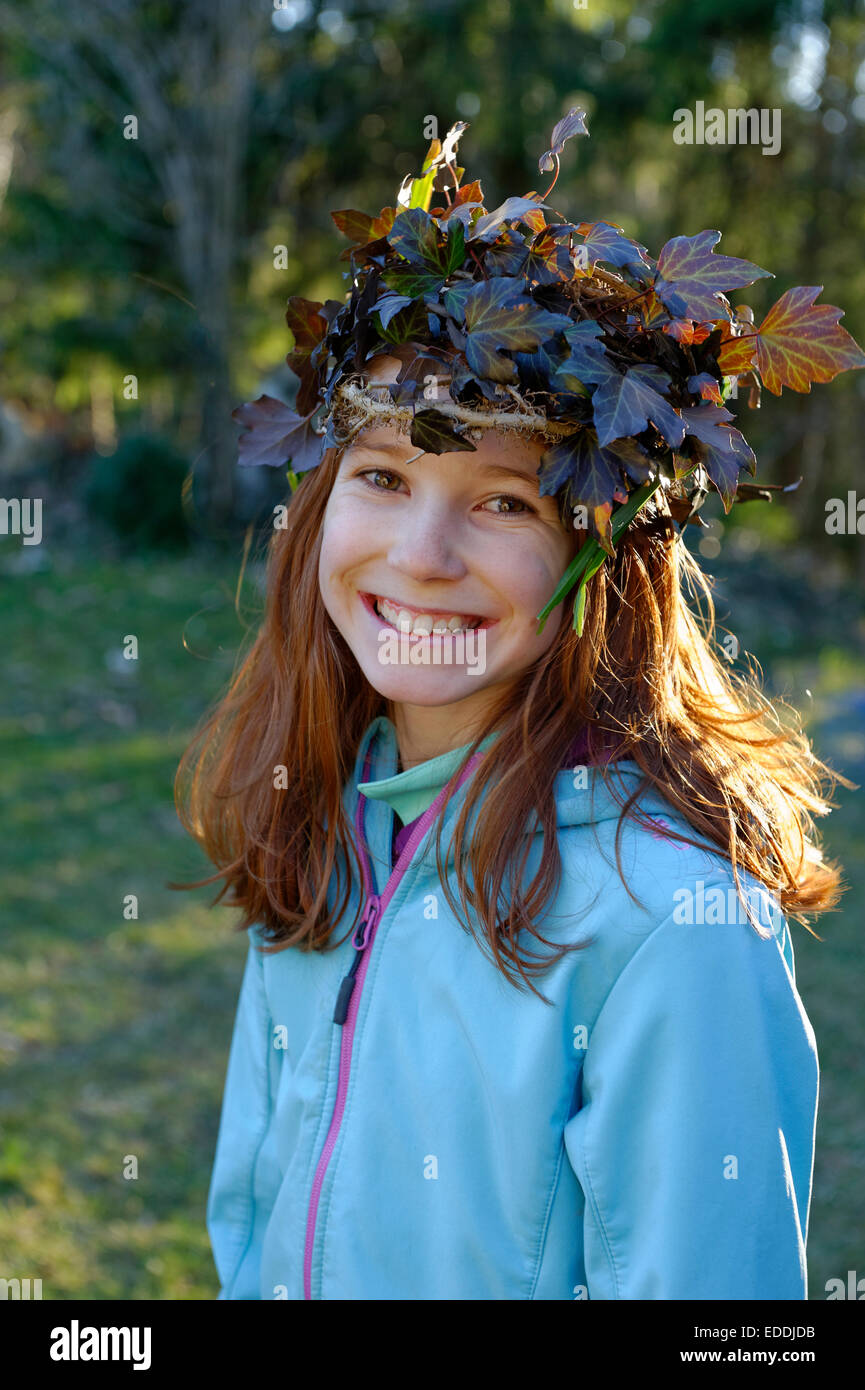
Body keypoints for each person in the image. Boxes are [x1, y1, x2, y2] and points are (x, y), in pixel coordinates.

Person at [174, 115, 857, 1298]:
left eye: (503, 502)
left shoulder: (670, 924)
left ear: (602, 558)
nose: (422, 554)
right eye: (384, 478)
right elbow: (254, 1216)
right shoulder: (321, 824)